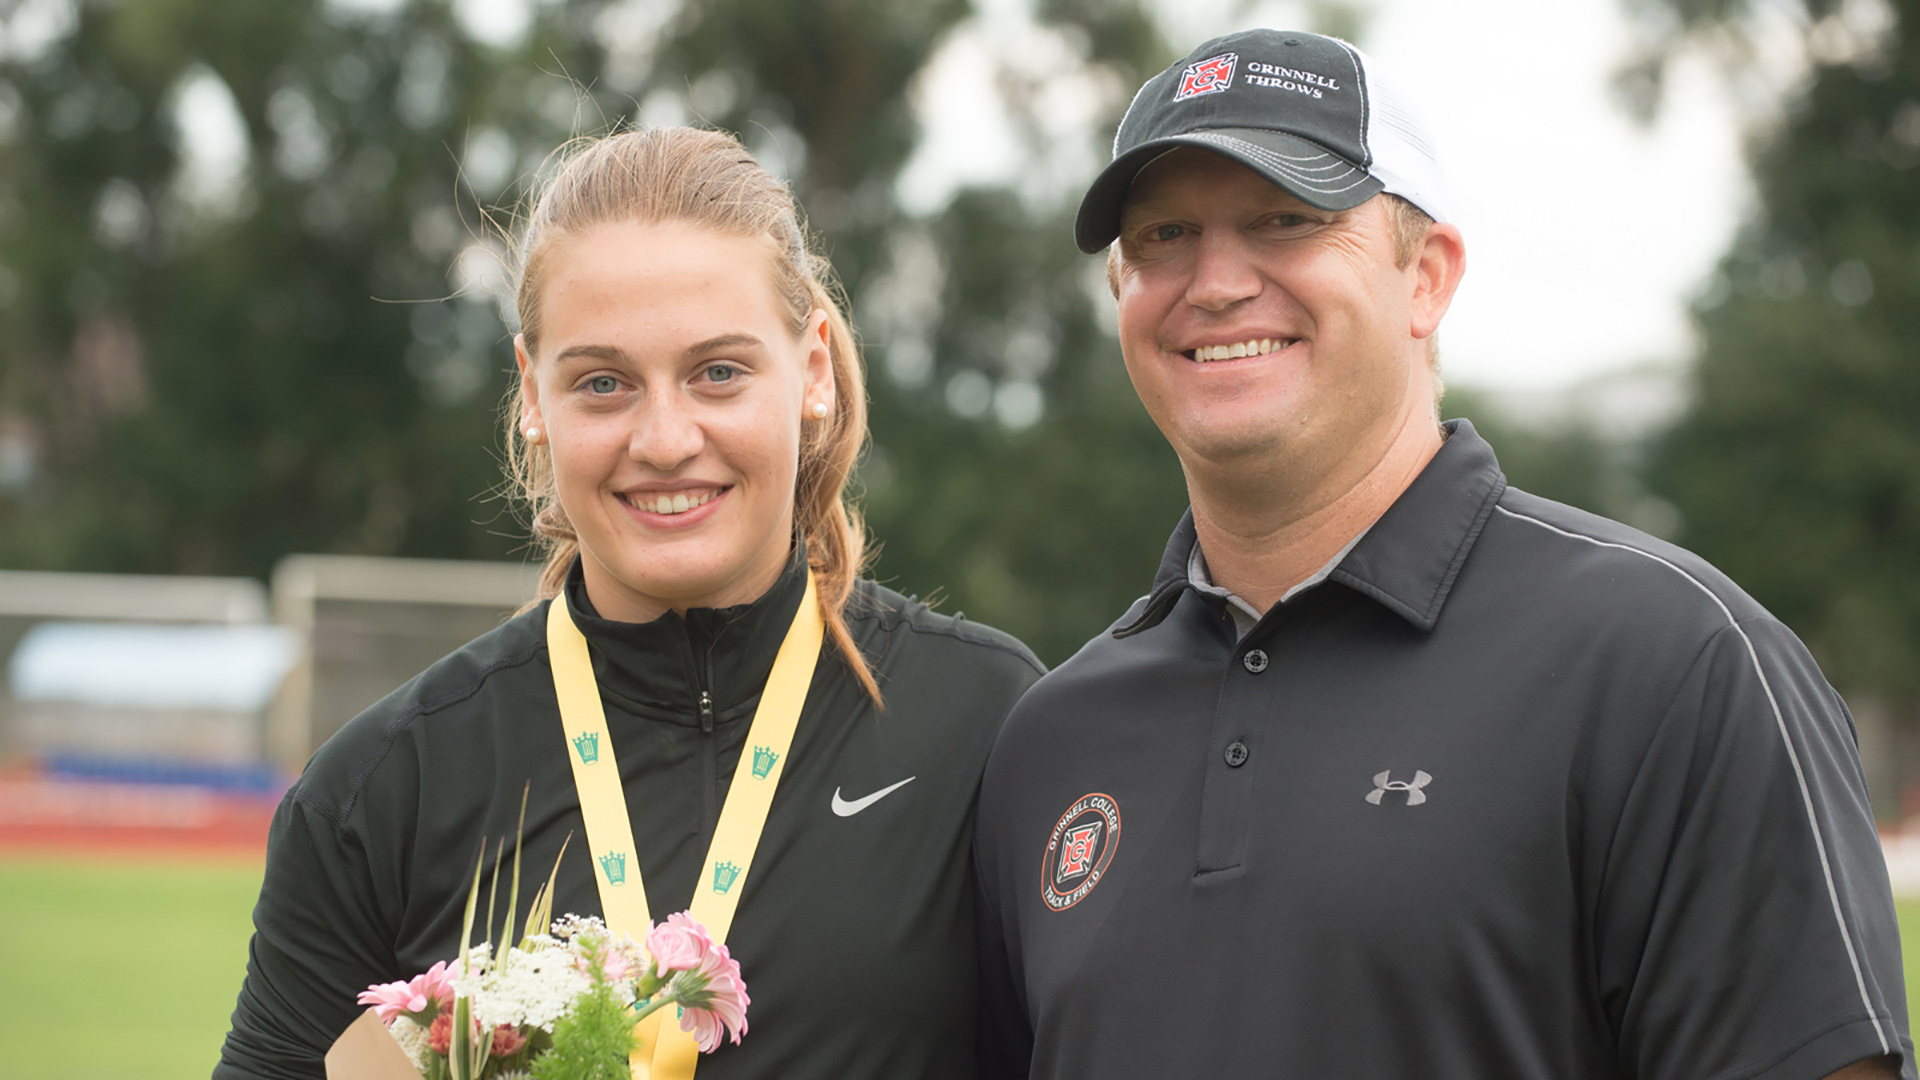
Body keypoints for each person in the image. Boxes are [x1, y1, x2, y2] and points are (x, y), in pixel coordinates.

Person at [972, 28, 1912, 1080]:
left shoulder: (1674, 663)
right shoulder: (1049, 741)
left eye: (1287, 220)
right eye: (1163, 235)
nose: (1216, 281)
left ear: (1428, 277)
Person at [215, 126, 1044, 1080]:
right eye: (603, 383)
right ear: (533, 392)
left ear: (812, 368)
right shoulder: (383, 789)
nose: (663, 438)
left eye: (718, 372)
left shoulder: (988, 720)